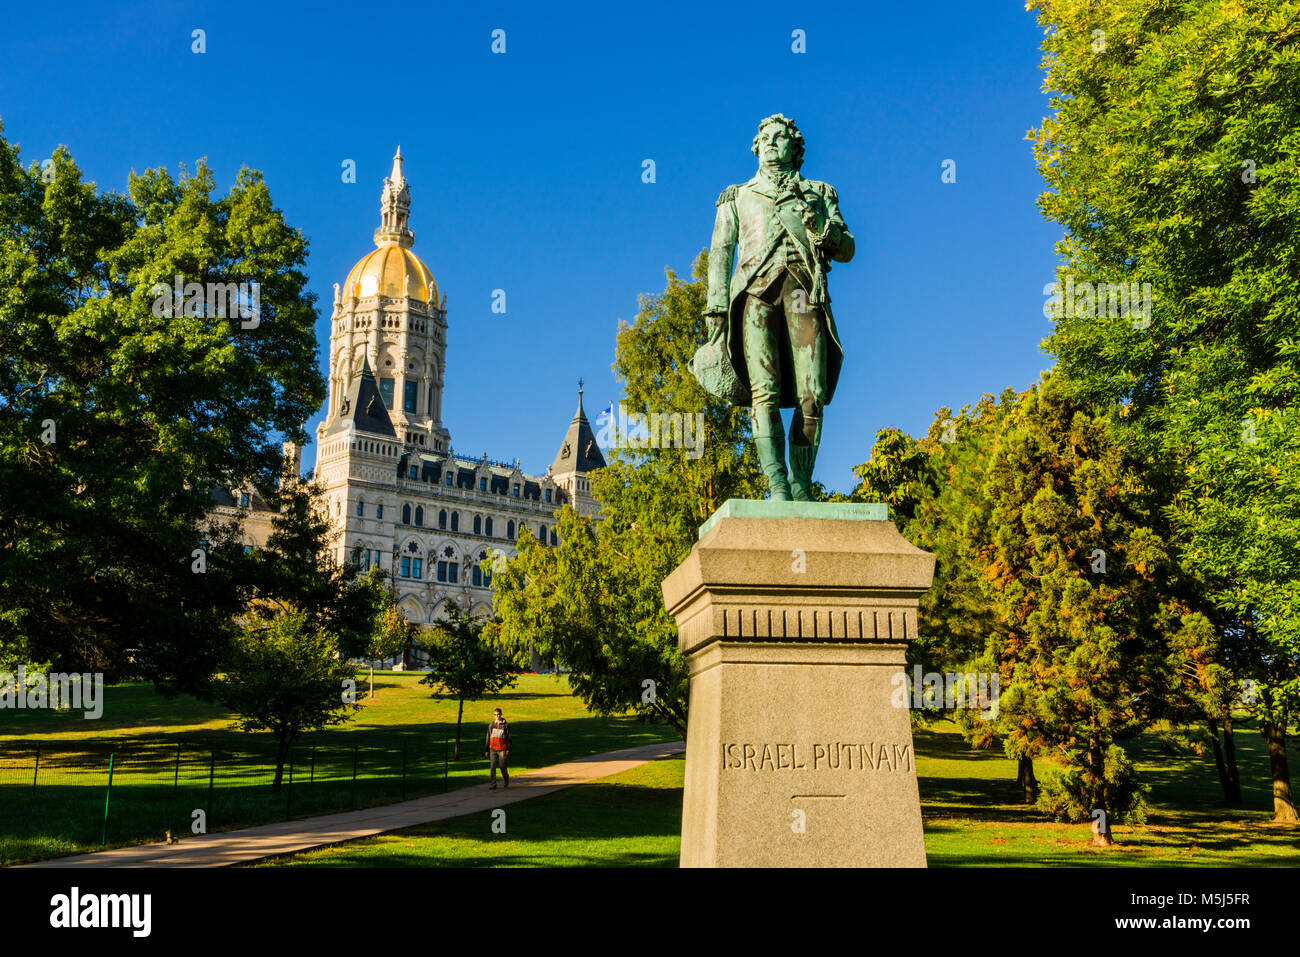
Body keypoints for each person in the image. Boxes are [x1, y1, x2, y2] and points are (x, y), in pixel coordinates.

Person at [693, 113, 855, 500]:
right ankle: (777, 485)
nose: (771, 143)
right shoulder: (737, 195)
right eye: (764, 137)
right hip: (756, 295)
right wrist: (716, 307)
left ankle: (801, 486)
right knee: (762, 392)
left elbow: (846, 248)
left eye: (780, 137)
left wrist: (821, 225)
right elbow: (720, 252)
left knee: (812, 392)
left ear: (795, 148)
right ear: (756, 147)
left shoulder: (819, 192)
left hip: (805, 294)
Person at [485, 707, 511, 788]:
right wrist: (486, 750)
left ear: (501, 715)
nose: (496, 716)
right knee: (492, 767)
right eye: (495, 715)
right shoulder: (491, 725)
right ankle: (493, 784)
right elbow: (488, 737)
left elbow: (508, 738)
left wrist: (508, 748)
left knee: (502, 766)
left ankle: (506, 779)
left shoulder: (505, 725)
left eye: (498, 714)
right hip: (492, 748)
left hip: (502, 749)